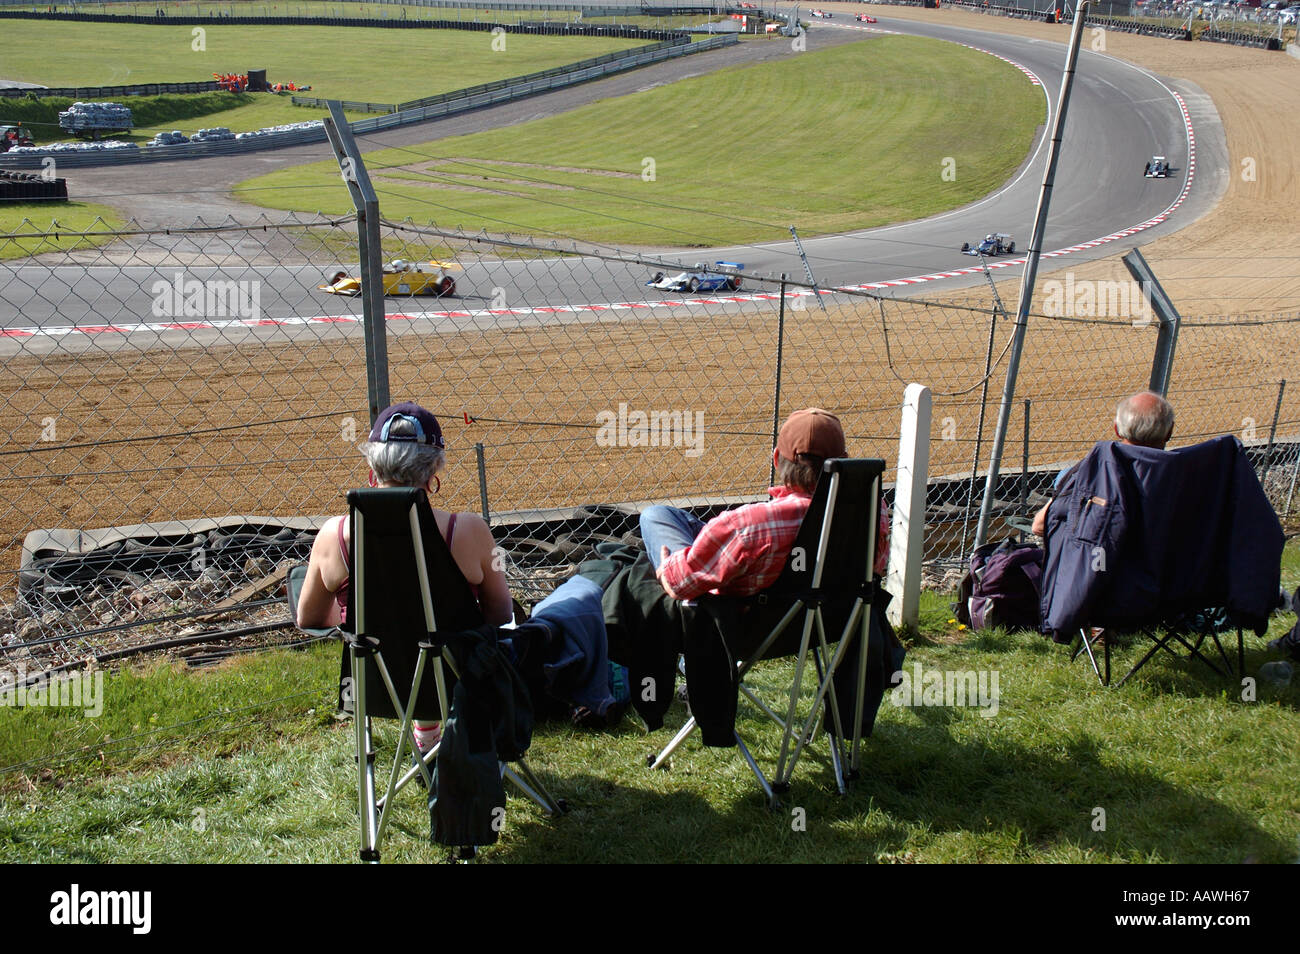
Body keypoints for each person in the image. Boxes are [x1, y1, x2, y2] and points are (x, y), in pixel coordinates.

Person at [296, 401, 511, 753]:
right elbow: (500, 614)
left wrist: (364, 615)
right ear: (433, 474)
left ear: (372, 468)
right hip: (457, 676)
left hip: (377, 682)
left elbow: (309, 617)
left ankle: (425, 730)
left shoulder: (334, 535)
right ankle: (450, 734)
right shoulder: (469, 531)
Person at [639, 407, 889, 601]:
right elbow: (875, 570)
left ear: (777, 459)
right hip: (824, 619)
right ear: (844, 462)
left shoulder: (748, 525)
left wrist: (667, 567)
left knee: (655, 515)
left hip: (745, 625)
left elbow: (681, 584)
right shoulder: (874, 511)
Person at [1031, 390, 1174, 537]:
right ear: (1170, 431)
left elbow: (1039, 526)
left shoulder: (1083, 473)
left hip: (1100, 556)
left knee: (1063, 477)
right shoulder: (1185, 475)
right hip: (1163, 555)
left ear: (1117, 429)